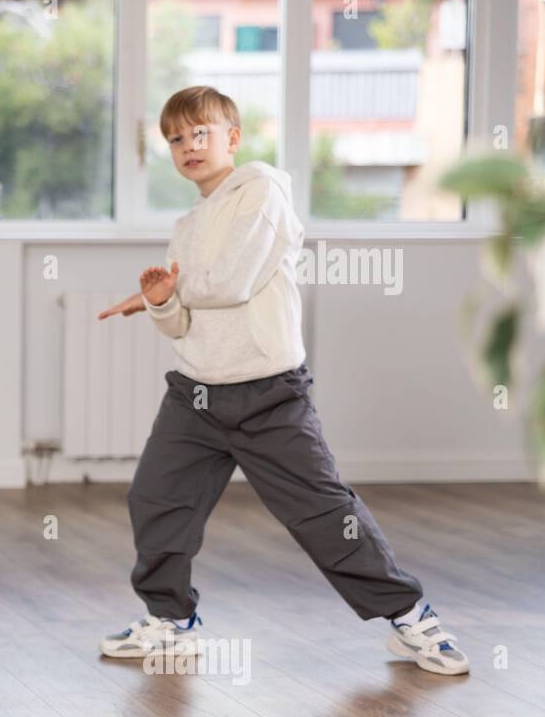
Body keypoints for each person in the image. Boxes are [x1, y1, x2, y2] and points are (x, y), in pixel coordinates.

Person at [98, 86, 468, 676]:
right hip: (194, 393)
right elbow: (185, 321)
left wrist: (159, 296)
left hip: (268, 392)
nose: (188, 146)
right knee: (155, 498)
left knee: (323, 512)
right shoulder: (187, 225)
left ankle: (411, 618)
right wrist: (162, 304)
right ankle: (173, 622)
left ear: (232, 138)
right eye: (175, 138)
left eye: (201, 133)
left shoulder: (263, 193)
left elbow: (234, 281)